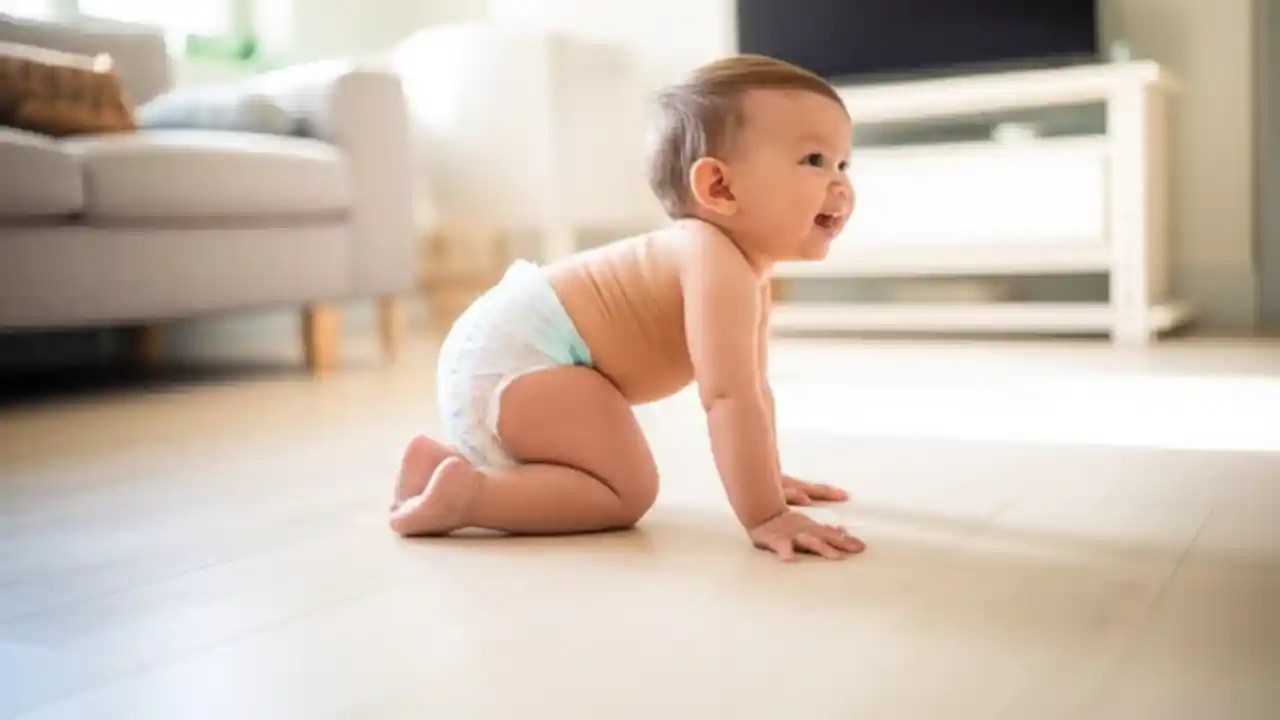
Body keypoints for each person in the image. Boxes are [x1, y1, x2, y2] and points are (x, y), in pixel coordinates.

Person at [389, 54, 863, 561]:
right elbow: (728, 399)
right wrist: (765, 513)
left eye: (843, 163)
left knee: (606, 469)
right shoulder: (713, 259)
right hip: (521, 361)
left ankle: (439, 470)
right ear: (719, 187)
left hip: (505, 356)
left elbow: (753, 391)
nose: (840, 184)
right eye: (814, 160)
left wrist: (767, 479)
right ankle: (472, 497)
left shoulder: (740, 270)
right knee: (625, 489)